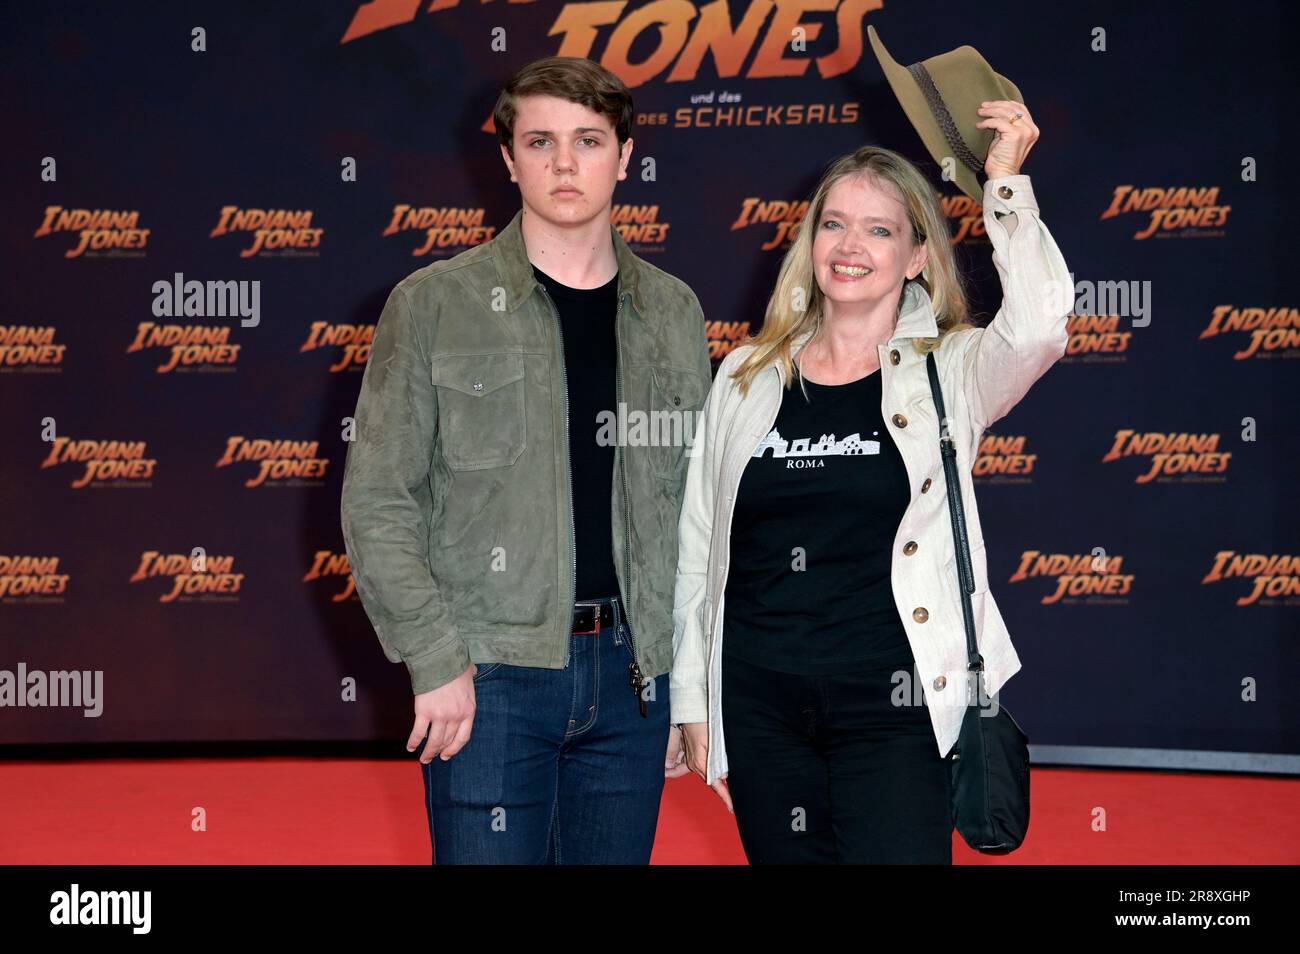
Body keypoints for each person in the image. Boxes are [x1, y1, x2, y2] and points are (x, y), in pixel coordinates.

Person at [670, 102, 1071, 863]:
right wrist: (694, 702)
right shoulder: (747, 375)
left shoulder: (950, 371)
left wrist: (1007, 185)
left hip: (895, 705)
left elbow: (1044, 325)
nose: (850, 246)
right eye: (834, 224)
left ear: (917, 256)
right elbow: (699, 548)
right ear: (809, 240)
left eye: (879, 230)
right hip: (761, 706)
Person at [340, 55, 711, 864]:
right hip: (489, 675)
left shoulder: (673, 312)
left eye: (588, 140)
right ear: (507, 158)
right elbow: (379, 502)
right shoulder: (434, 304)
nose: (565, 163)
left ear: (625, 153)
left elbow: (695, 510)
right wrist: (436, 659)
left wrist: (686, 680)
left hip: (633, 682)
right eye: (540, 142)